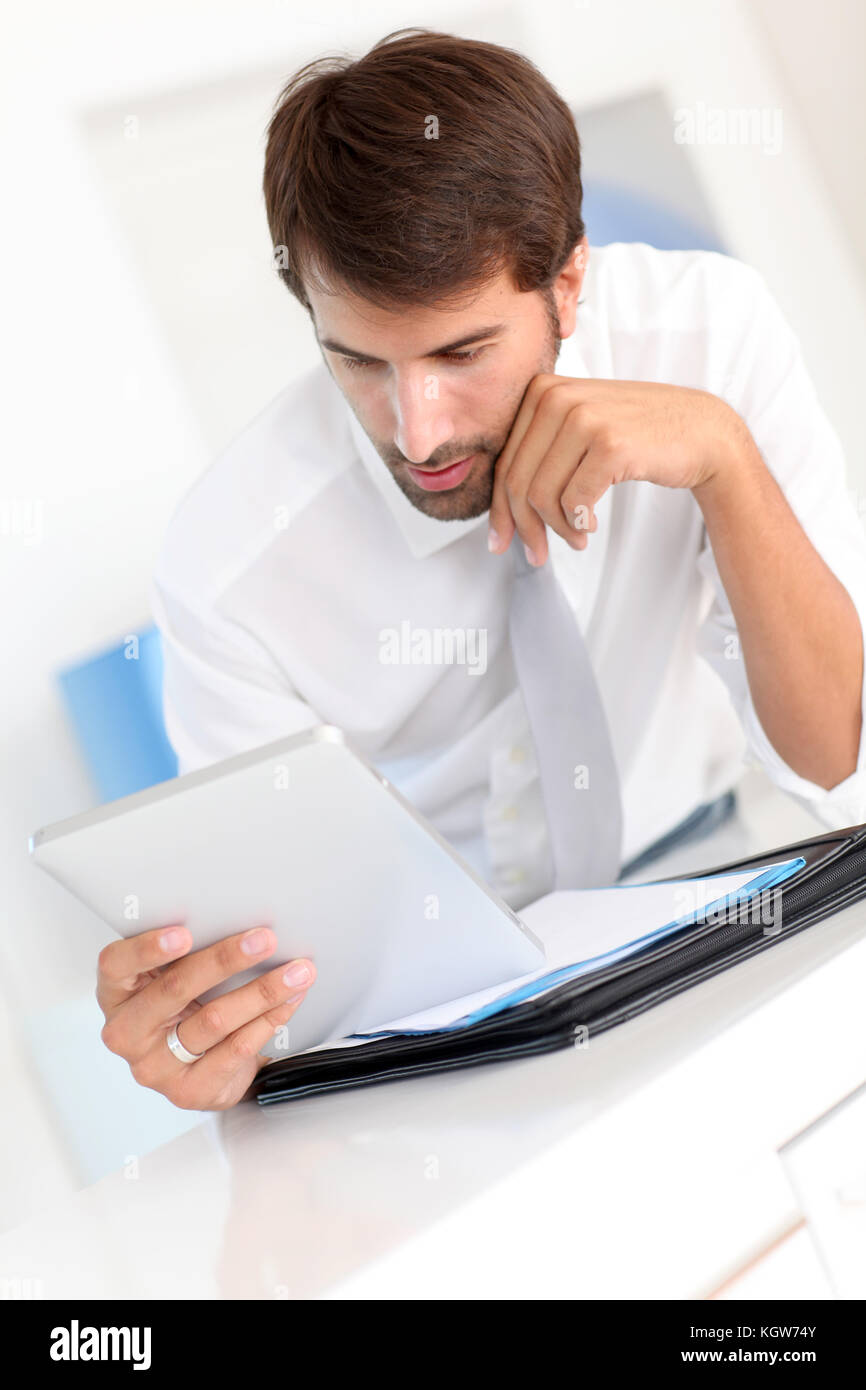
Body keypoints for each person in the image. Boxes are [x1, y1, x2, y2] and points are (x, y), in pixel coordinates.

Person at [97, 28, 866, 1111]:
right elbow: (279, 976)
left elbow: (830, 750)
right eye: (357, 360)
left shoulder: (707, 332)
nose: (416, 434)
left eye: (461, 354)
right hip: (451, 1009)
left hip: (731, 890)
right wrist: (213, 1042)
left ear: (568, 279)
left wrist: (724, 464)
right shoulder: (229, 565)